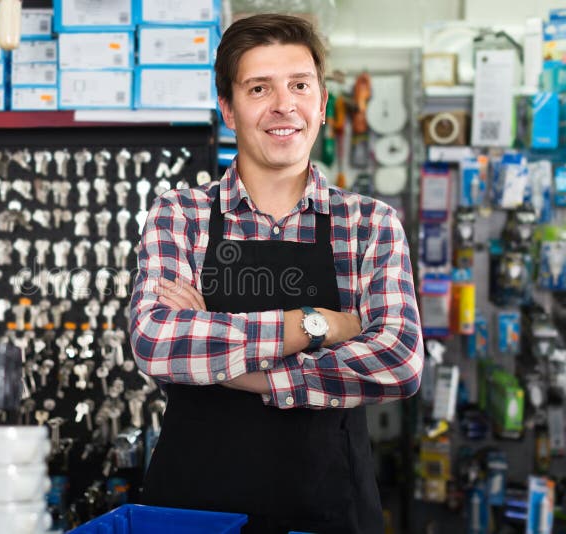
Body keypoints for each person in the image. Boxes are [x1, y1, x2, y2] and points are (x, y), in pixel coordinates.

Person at [128, 13, 423, 534]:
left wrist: (238, 372)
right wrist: (319, 324)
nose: (284, 105)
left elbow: (398, 361)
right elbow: (156, 343)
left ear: (323, 103)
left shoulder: (371, 223)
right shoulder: (181, 214)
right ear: (228, 109)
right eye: (259, 87)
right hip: (194, 511)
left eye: (299, 85)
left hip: (329, 508)